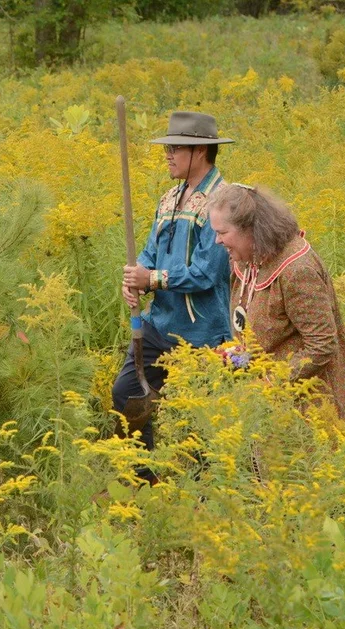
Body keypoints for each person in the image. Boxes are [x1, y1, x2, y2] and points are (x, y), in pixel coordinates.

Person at [115, 111, 234, 451]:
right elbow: (152, 251)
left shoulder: (221, 203)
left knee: (200, 420)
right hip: (158, 324)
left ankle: (202, 493)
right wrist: (135, 278)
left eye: (176, 148)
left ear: (200, 152)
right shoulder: (169, 197)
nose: (167, 155)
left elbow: (207, 273)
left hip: (201, 332)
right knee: (126, 393)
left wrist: (151, 278)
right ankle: (142, 477)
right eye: (167, 148)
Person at [206, 184, 345, 421]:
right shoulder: (245, 258)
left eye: (222, 232)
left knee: (305, 457)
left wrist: (272, 381)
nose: (217, 241)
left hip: (314, 403)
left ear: (251, 229)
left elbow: (321, 345)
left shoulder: (296, 271)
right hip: (271, 398)